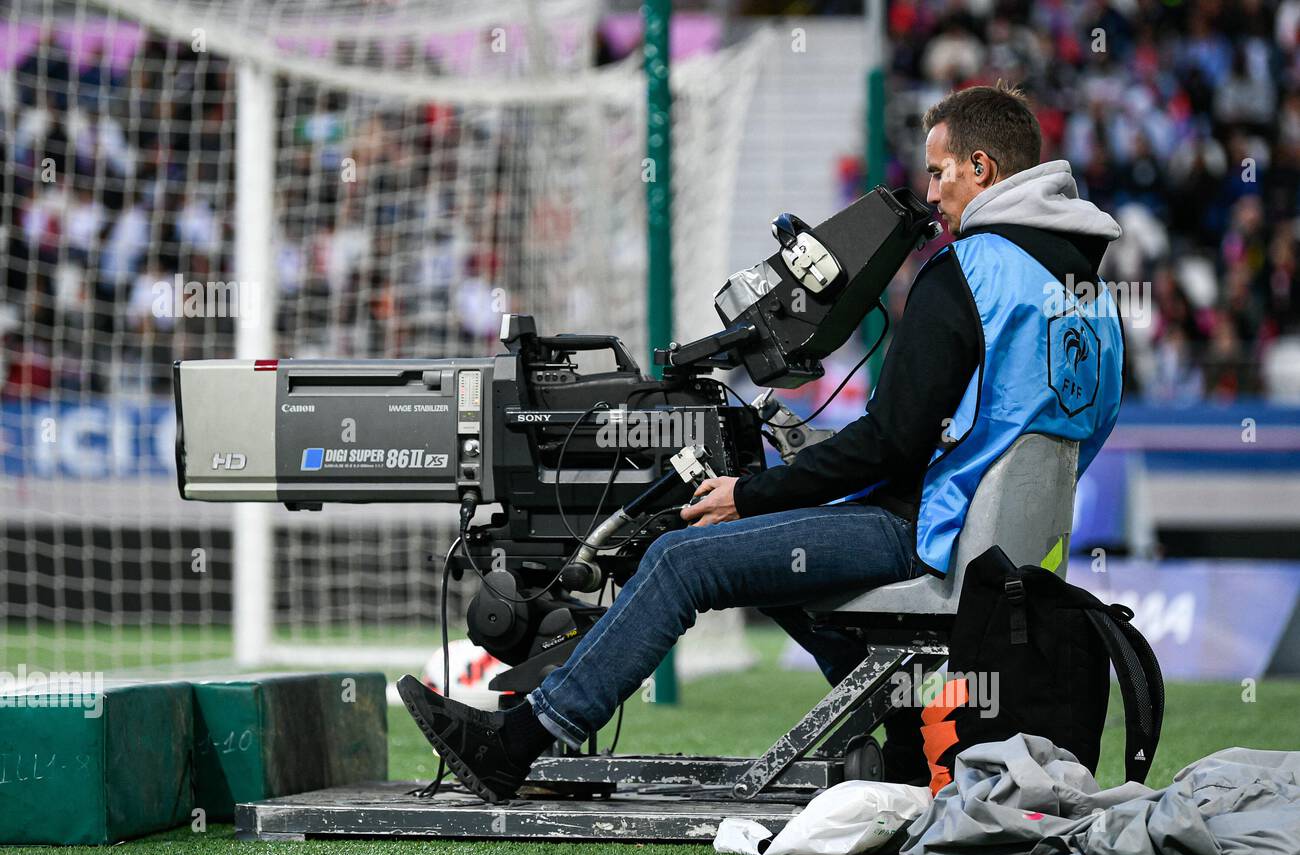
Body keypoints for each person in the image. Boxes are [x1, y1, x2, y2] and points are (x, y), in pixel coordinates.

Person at [396, 82, 1126, 804]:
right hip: (1005, 558)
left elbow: (891, 444)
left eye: (938, 173)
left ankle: (516, 742)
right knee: (776, 564)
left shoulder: (970, 269)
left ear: (982, 169)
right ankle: (903, 739)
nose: (931, 195)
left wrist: (751, 491)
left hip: (930, 535)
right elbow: (1073, 435)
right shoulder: (1091, 293)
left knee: (679, 557)